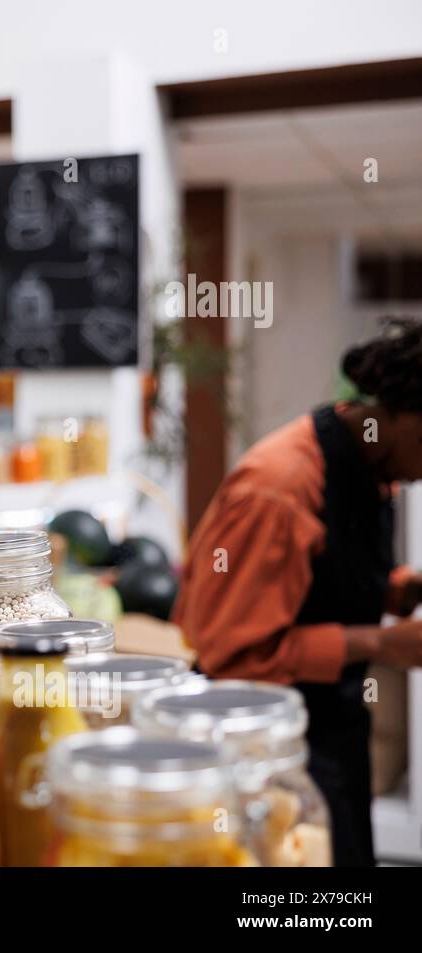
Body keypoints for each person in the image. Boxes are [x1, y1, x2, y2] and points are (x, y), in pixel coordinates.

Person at [175, 318, 422, 866]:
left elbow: (321, 575)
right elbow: (232, 656)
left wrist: (399, 590)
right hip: (270, 750)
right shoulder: (277, 491)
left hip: (334, 728)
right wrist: (380, 645)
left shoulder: (370, 459)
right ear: (395, 414)